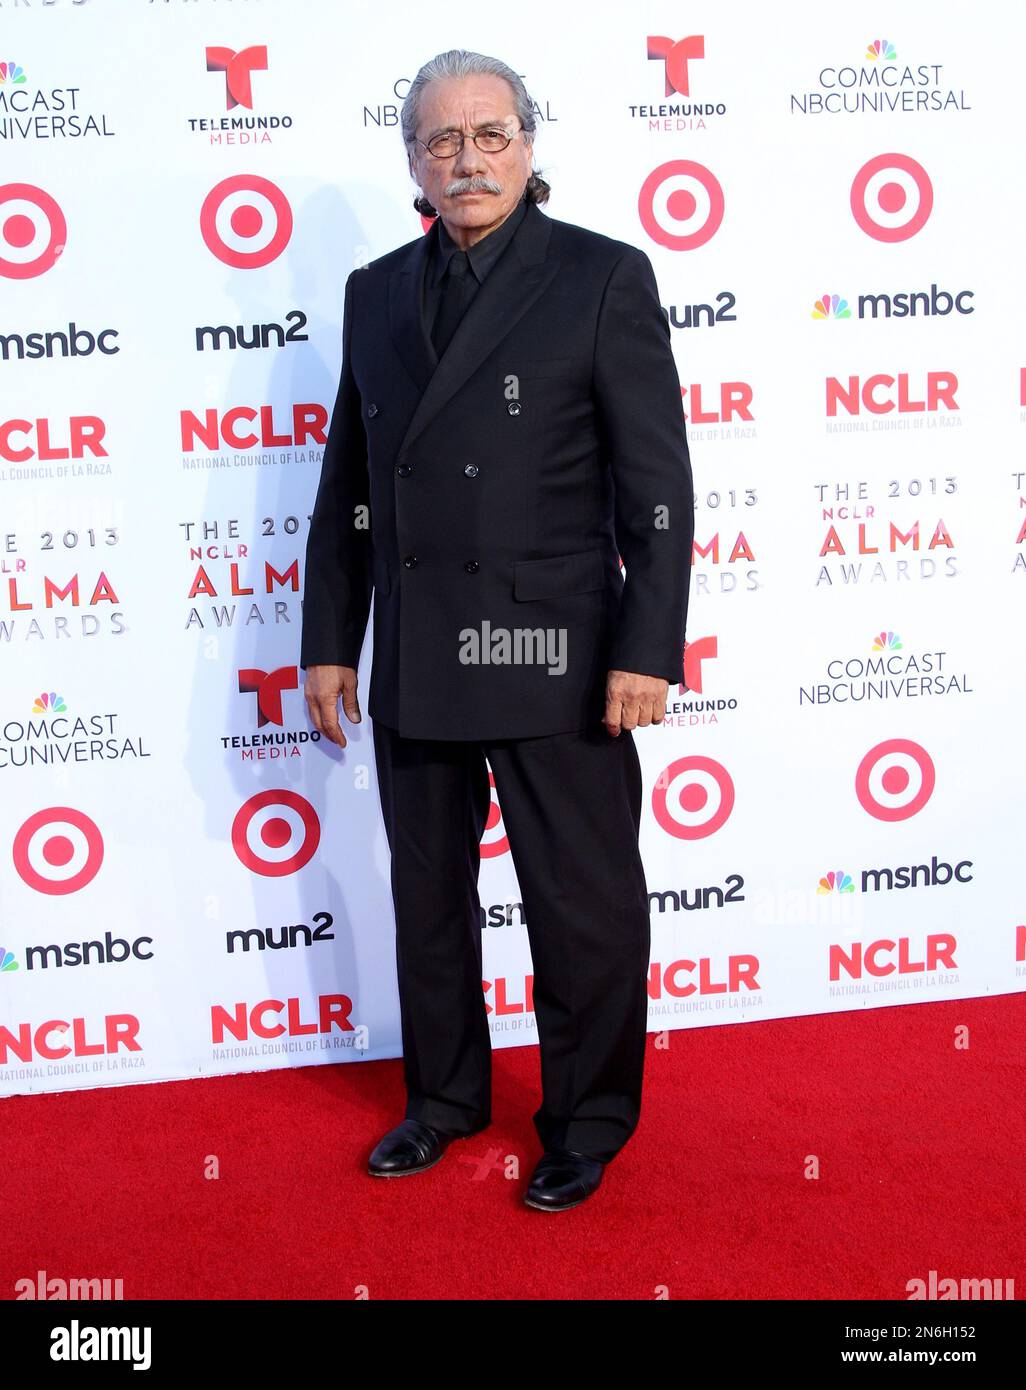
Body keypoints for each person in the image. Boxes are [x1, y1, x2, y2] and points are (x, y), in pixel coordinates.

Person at [301, 48, 694, 1212]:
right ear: (412, 159)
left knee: (583, 904)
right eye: (441, 140)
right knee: (427, 898)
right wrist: (332, 635)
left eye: (491, 134)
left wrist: (646, 645)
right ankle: (444, 1100)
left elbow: (658, 486)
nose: (467, 159)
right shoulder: (374, 289)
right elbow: (350, 479)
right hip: (421, 644)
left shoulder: (602, 277)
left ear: (529, 142)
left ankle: (586, 1120)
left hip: (555, 654)